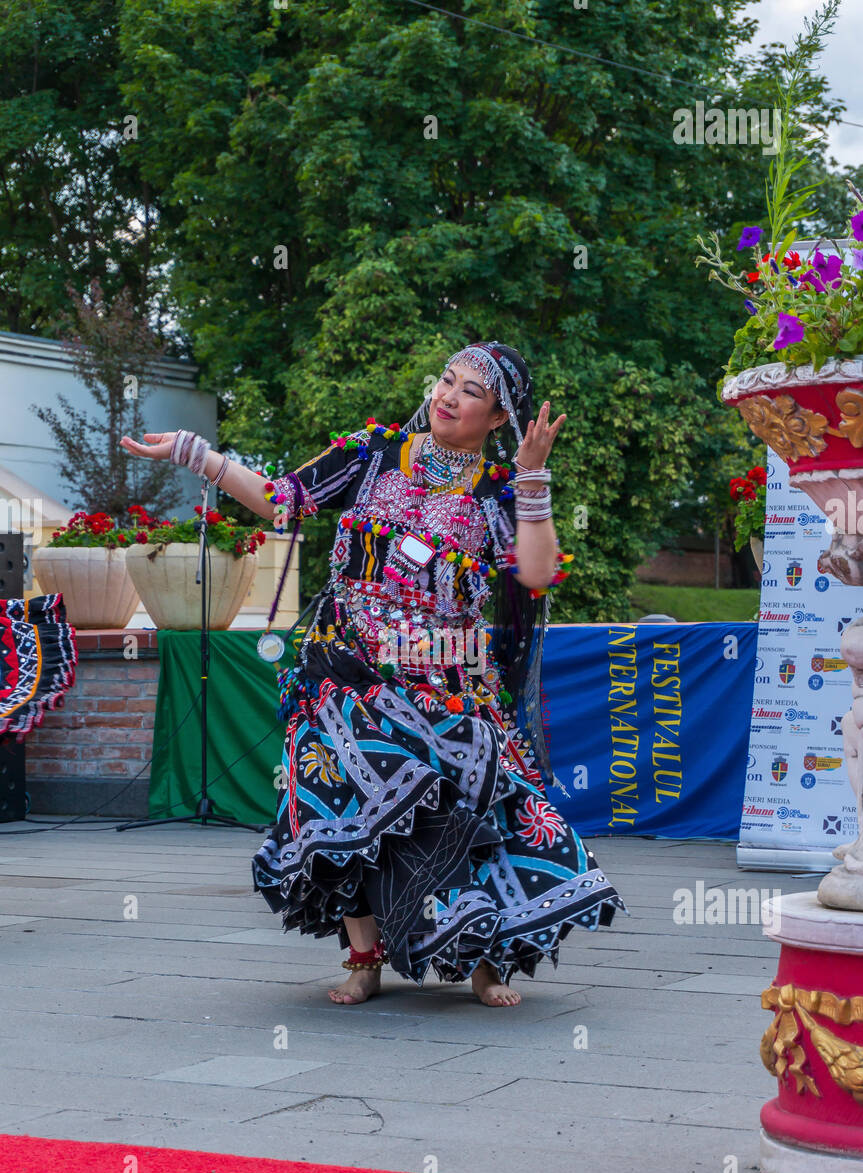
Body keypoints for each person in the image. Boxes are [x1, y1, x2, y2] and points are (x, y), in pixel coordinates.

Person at [121, 341, 627, 1007]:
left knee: (465, 807)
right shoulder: (373, 453)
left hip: (447, 679)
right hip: (345, 665)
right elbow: (282, 501)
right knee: (338, 799)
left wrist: (532, 477)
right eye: (447, 379)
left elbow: (534, 573)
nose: (448, 394)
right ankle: (365, 958)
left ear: (499, 417)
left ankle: (482, 960)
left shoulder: (500, 492)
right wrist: (195, 450)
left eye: (470, 390)